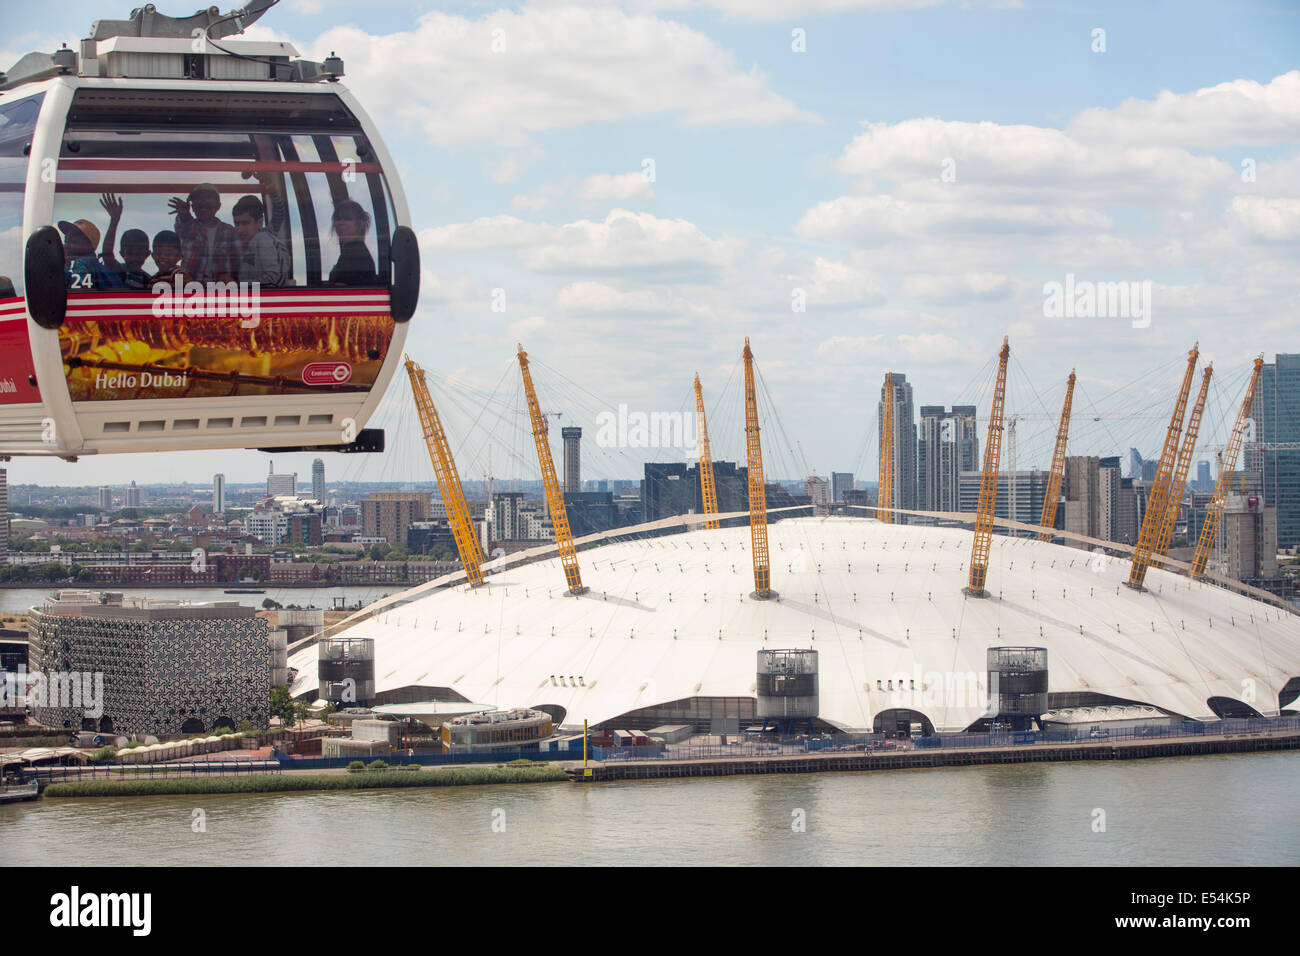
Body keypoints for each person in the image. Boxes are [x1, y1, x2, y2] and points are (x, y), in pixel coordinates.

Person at [168, 182, 237, 283]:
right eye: (198, 201)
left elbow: (238, 263)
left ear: (218, 206)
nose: (202, 204)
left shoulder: (230, 231)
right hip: (189, 290)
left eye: (207, 200)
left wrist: (234, 281)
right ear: (192, 207)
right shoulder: (188, 227)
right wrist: (184, 215)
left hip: (221, 292)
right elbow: (182, 226)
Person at [232, 194, 290, 287]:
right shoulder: (248, 243)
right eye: (236, 224)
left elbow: (274, 280)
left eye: (245, 223)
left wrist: (237, 285)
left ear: (259, 222)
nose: (240, 229)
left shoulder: (262, 240)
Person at [97, 193, 152, 290]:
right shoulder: (119, 271)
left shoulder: (149, 280)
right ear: (122, 254)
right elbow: (107, 254)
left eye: (139, 254)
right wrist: (114, 221)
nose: (134, 258)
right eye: (130, 253)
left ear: (147, 254)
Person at [328, 198, 377, 286]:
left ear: (360, 224)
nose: (341, 222)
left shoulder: (355, 253)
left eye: (347, 219)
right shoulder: (350, 250)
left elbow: (340, 291)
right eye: (338, 219)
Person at [59, 218, 110, 289]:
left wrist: (63, 266)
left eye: (73, 242)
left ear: (89, 246)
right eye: (66, 241)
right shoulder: (93, 263)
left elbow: (75, 290)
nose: (66, 246)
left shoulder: (82, 263)